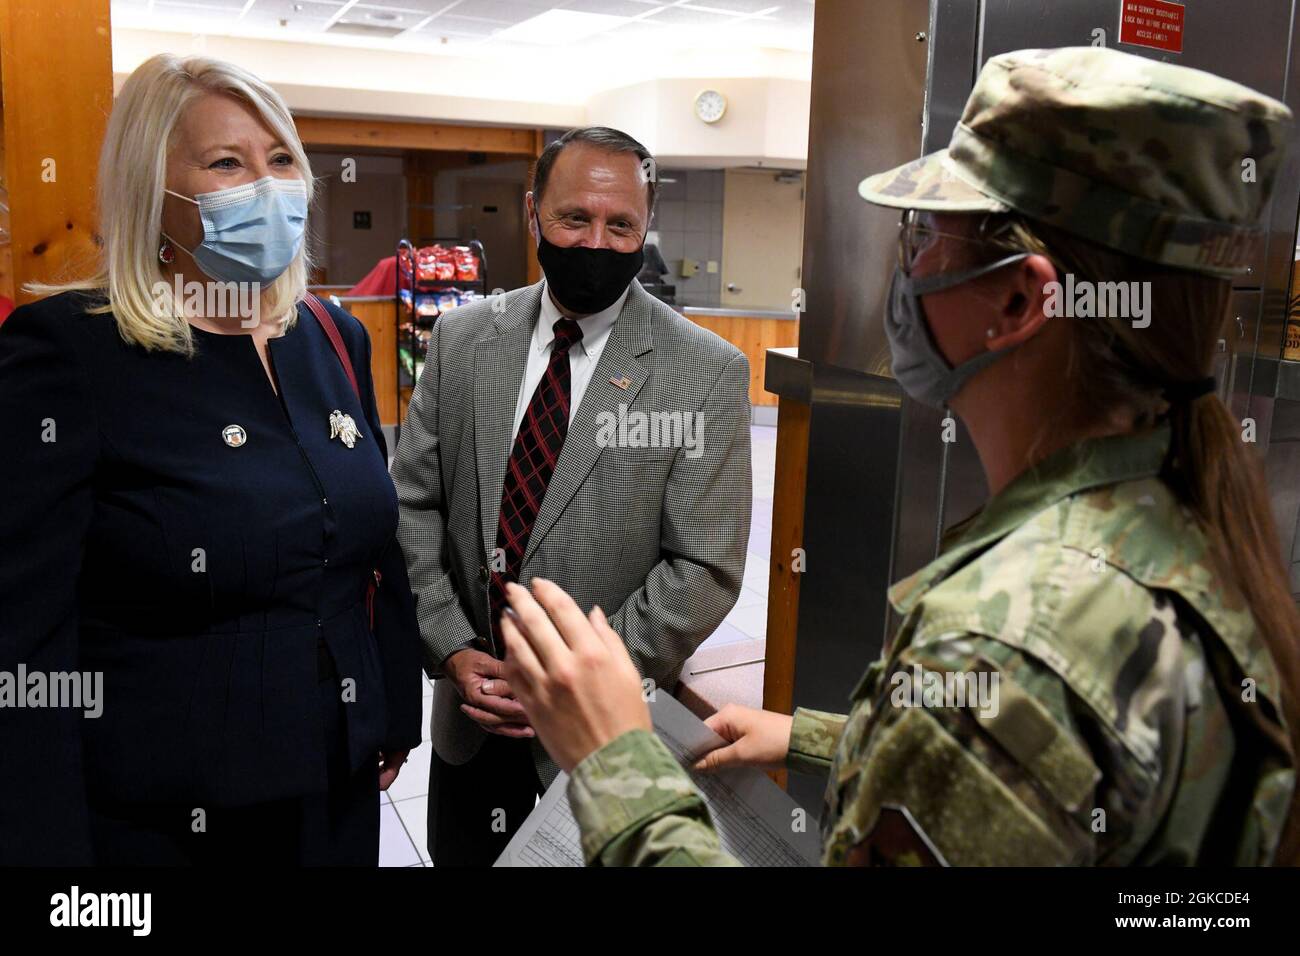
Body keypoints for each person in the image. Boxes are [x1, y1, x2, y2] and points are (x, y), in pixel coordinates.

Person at [494, 47, 1300, 866]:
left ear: (1019, 299)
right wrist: (833, 740)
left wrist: (613, 765)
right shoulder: (1177, 515)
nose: (906, 270)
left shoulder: (1007, 636)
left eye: (927, 236)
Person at [0, 53, 423, 865]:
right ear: (152, 191)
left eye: (281, 161)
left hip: (334, 791)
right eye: (226, 162)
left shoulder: (332, 337)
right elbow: (23, 642)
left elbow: (373, 550)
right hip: (161, 816)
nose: (267, 188)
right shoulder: (72, 355)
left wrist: (389, 710)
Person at [391, 126, 752, 866]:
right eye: (574, 218)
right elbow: (411, 505)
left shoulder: (704, 371)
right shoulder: (461, 339)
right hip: (470, 723)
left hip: (600, 745)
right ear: (533, 216)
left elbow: (705, 567)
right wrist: (452, 646)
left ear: (645, 226)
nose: (596, 241)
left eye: (620, 224)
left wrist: (574, 682)